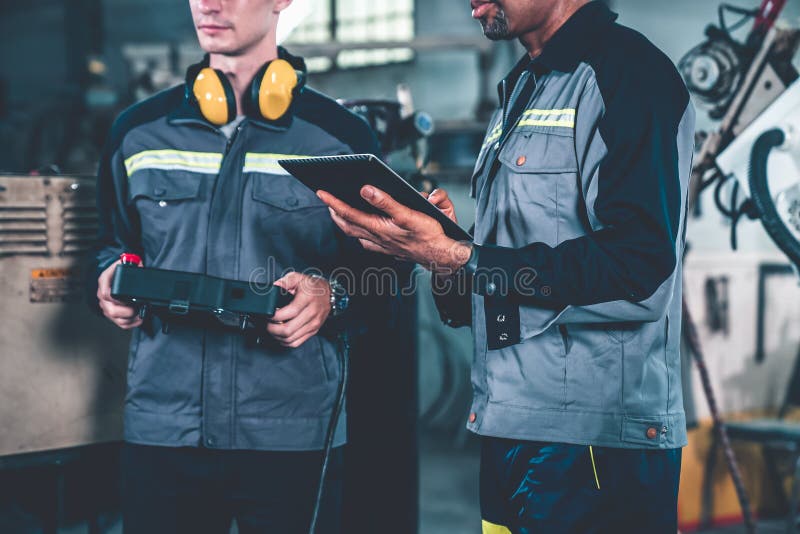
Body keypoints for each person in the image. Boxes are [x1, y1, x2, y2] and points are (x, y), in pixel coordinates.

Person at [318, 0, 695, 531]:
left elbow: (639, 271)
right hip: (508, 425)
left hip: (593, 444)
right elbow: (497, 281)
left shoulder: (628, 74)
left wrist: (460, 256)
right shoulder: (521, 88)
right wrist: (440, 257)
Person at [89, 0, 382, 532]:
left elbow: (388, 277)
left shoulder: (340, 139)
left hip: (291, 432)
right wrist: (110, 275)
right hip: (163, 428)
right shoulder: (137, 132)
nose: (208, 3)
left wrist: (330, 295)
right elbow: (113, 241)